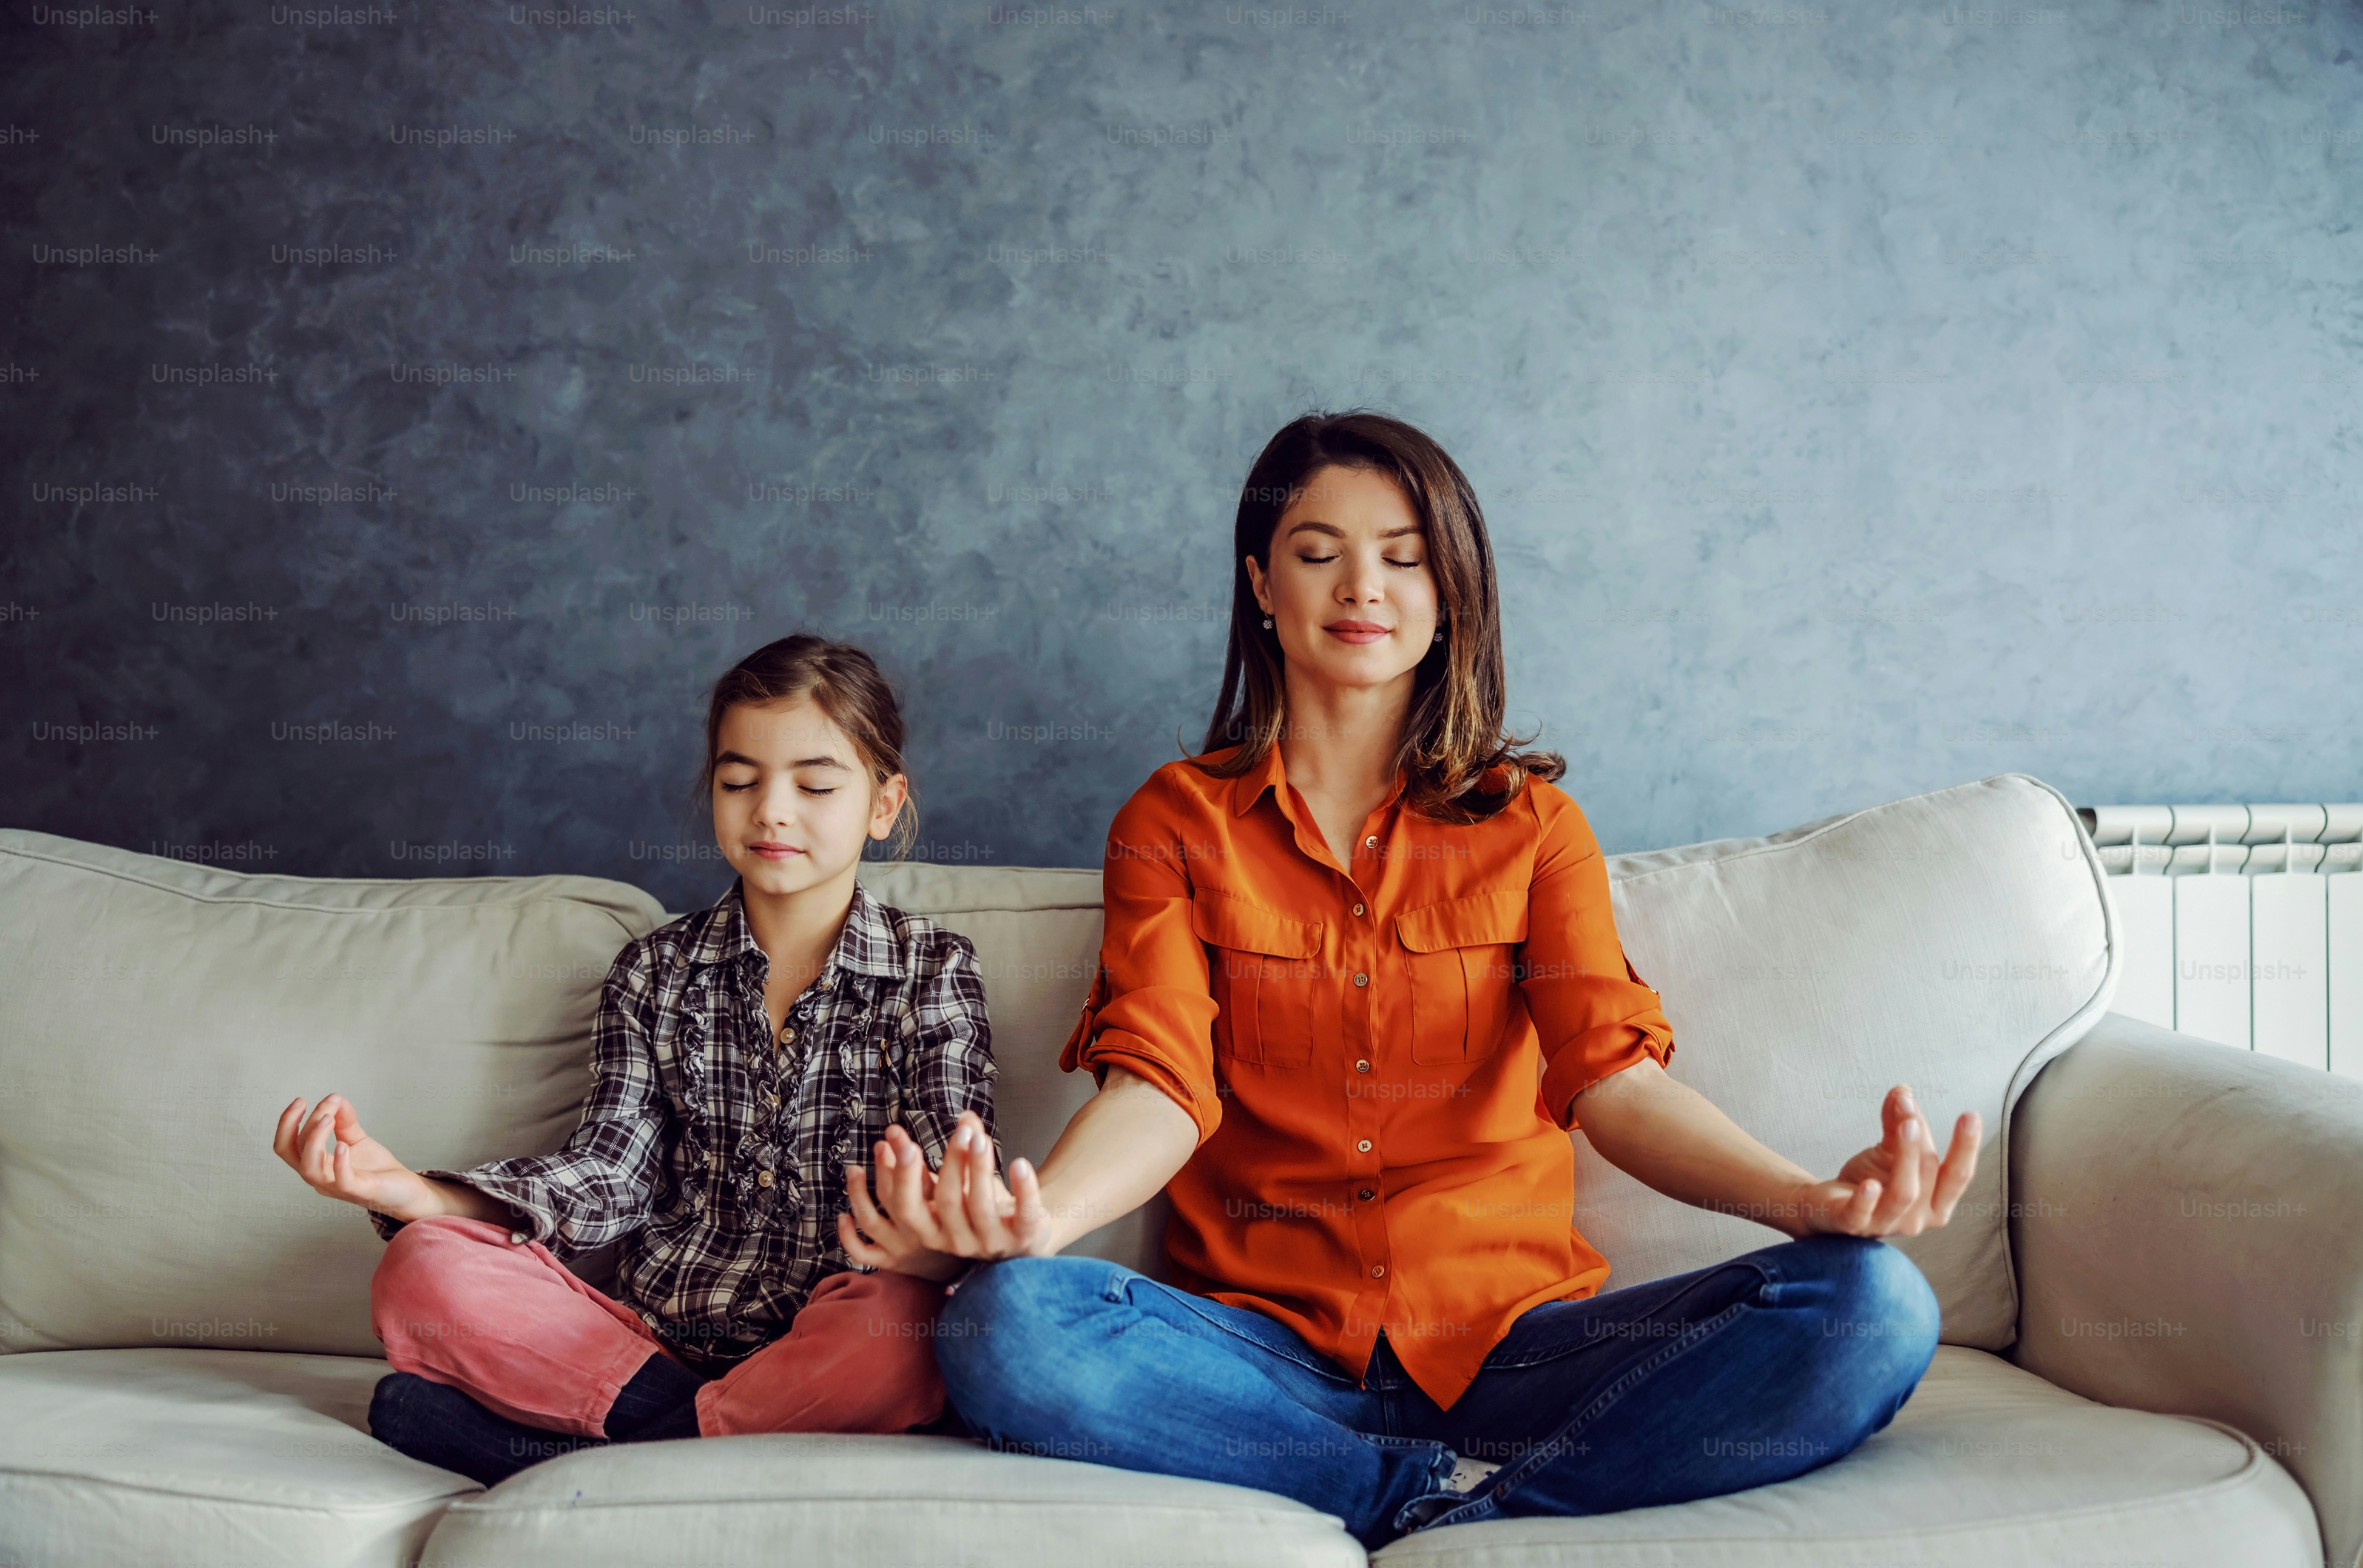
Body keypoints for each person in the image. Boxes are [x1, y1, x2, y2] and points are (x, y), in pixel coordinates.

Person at [835, 412, 1983, 1550]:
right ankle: (1408, 1496)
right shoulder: (1173, 821)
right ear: (1263, 585)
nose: (1361, 588)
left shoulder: (1536, 829)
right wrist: (1037, 1224)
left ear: (1451, 595)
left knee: (1872, 1308)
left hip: (1519, 1345)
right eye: (1318, 553)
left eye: (1403, 556)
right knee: (1004, 1325)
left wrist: (1811, 1205)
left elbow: (1615, 1084)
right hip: (1258, 1358)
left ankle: (1480, 1511)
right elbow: (1162, 1086)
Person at [271, 635, 998, 1484]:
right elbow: (610, 1172)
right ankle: (688, 1436)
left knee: (907, 1330)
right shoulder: (656, 970)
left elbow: (954, 1166)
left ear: (884, 802)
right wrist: (415, 1194)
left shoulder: (934, 969)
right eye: (739, 781)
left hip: (827, 1338)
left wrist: (929, 1229)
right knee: (423, 1264)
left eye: (815, 784)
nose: (771, 809)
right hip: (643, 1346)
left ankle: (566, 1453)